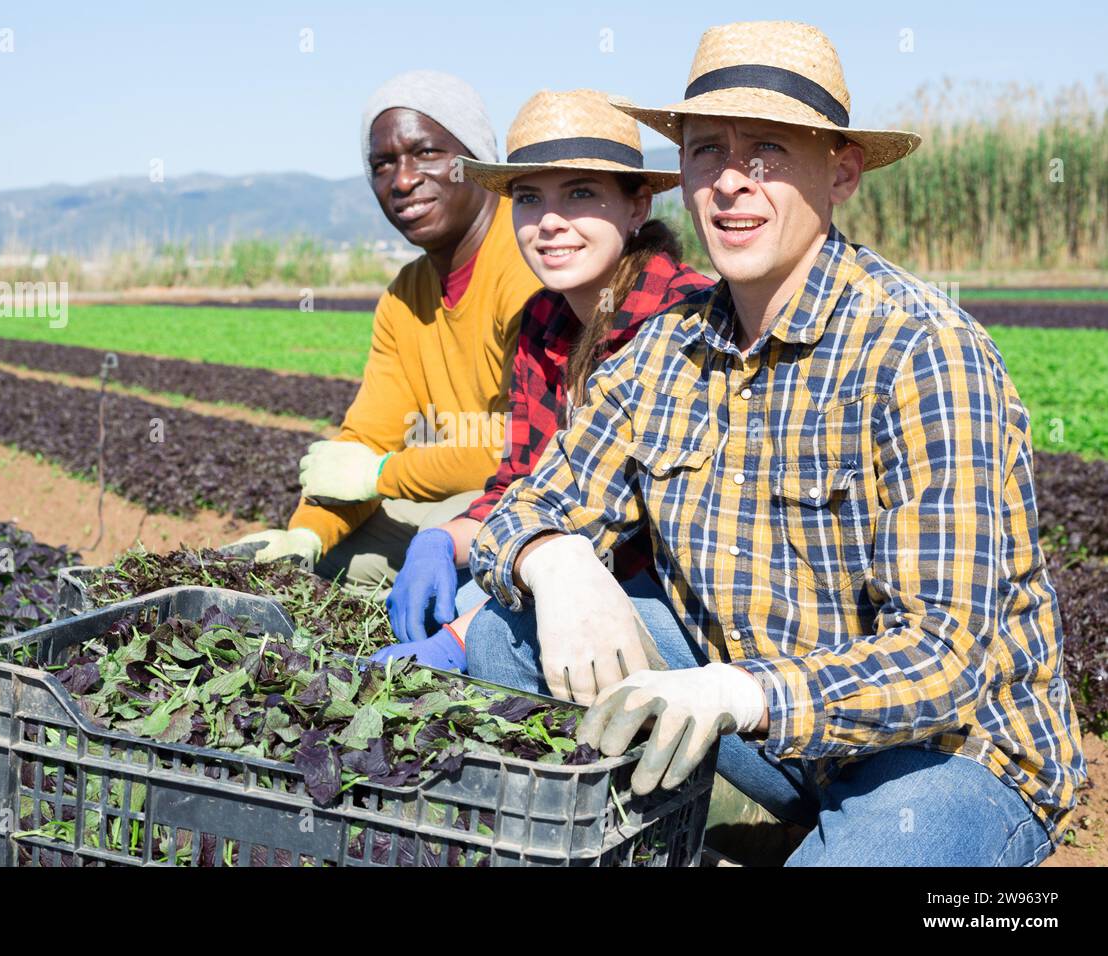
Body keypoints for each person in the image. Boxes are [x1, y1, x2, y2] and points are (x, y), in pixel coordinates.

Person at [467, 20, 1086, 866]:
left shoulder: (921, 351)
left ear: (840, 172)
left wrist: (735, 689)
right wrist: (554, 559)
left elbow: (944, 659)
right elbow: (529, 508)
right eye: (705, 151)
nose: (729, 182)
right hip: (777, 739)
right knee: (515, 629)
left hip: (947, 757)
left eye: (765, 152)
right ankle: (631, 844)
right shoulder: (663, 352)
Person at [369, 88, 711, 673]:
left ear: (637, 207)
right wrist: (444, 542)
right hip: (560, 560)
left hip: (680, 605)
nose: (550, 223)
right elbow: (522, 485)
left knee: (491, 638)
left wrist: (462, 634)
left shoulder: (681, 319)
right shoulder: (544, 321)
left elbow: (623, 536)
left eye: (580, 194)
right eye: (530, 199)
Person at [231, 70, 542, 592]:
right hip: (451, 495)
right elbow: (369, 438)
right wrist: (305, 535)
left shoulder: (528, 259)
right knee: (322, 565)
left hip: (529, 500)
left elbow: (522, 446)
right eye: (383, 164)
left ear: (477, 160)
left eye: (425, 153)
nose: (402, 180)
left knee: (467, 568)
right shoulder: (404, 296)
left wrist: (380, 476)